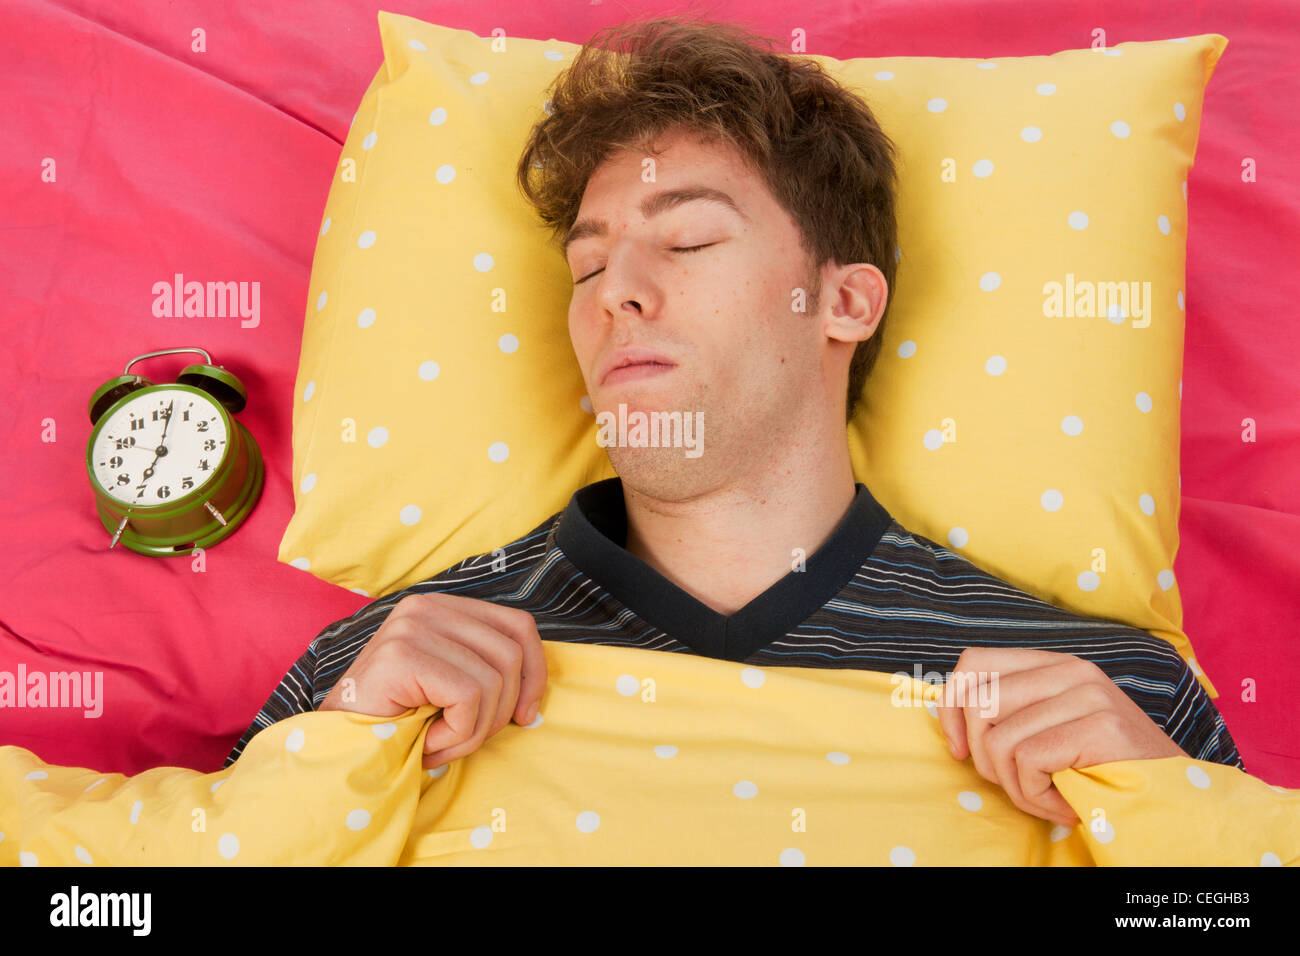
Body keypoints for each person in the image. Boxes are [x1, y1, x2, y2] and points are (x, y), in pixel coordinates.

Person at [227, 16, 1242, 828]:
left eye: (691, 241)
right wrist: (331, 758)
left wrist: (1167, 817)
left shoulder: (1112, 694)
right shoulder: (380, 669)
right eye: (587, 264)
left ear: (844, 304)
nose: (615, 290)